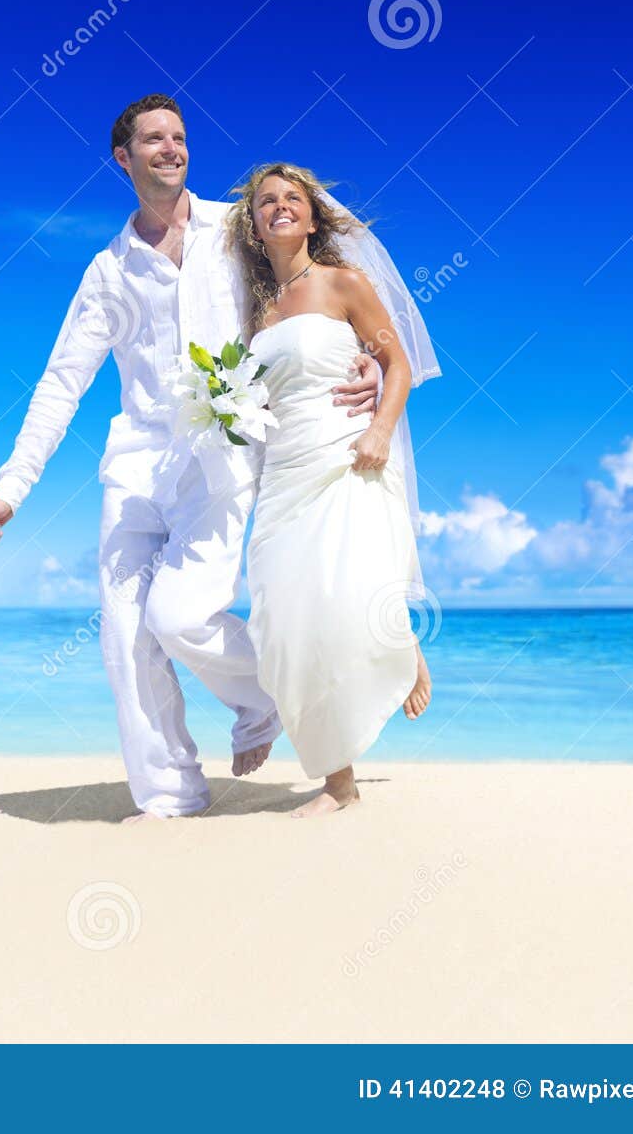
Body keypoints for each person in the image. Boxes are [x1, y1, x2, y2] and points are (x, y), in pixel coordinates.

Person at [0, 94, 401, 820]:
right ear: (123, 157)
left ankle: (266, 693)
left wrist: (362, 359)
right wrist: (12, 488)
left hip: (221, 459)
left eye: (180, 137)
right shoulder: (107, 272)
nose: (171, 148)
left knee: (178, 616)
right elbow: (62, 381)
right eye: (154, 139)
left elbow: (316, 270)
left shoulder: (232, 231)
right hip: (135, 467)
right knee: (123, 634)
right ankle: (169, 797)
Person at [233, 163, 435, 816]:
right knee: (283, 619)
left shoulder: (345, 283)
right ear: (255, 223)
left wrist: (379, 426)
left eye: (293, 199)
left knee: (337, 597)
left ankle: (337, 784)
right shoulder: (258, 309)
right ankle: (396, 646)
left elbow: (397, 362)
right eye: (267, 201)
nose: (281, 207)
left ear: (313, 218)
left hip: (346, 452)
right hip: (285, 471)